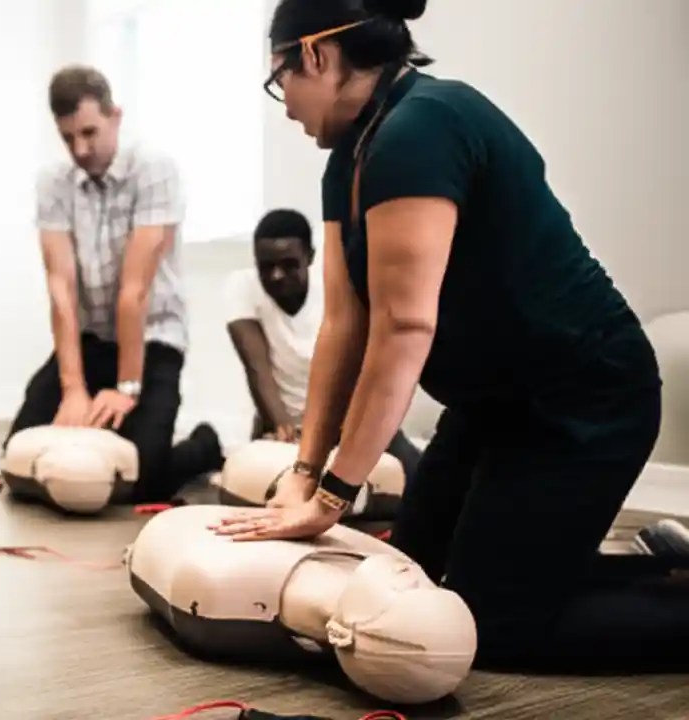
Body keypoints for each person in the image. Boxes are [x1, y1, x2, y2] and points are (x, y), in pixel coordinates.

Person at [211, 0, 689, 672]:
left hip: (582, 403)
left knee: (481, 626)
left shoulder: (422, 127)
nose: (282, 101)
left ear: (315, 54)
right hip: (493, 407)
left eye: (280, 78)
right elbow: (345, 327)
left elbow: (402, 327)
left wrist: (331, 499)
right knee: (415, 582)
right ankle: (656, 567)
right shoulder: (347, 159)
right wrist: (303, 474)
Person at [6, 65, 224, 504]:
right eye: (68, 137)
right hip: (92, 339)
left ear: (115, 116)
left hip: (154, 340)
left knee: (138, 480)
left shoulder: (154, 170)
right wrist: (73, 390)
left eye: (89, 132)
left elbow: (135, 291)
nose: (80, 148)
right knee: (17, 457)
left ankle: (205, 446)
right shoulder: (53, 183)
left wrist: (127, 389)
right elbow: (61, 289)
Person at [225, 208, 420, 480]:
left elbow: (360, 365)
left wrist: (336, 432)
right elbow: (257, 368)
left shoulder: (336, 286)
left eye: (289, 265)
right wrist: (282, 427)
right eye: (266, 267)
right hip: (283, 426)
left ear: (311, 257)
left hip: (350, 422)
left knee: (421, 480)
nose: (276, 275)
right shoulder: (242, 287)